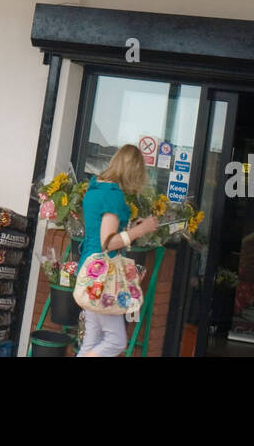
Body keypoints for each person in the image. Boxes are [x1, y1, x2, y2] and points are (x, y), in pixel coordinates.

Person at [76, 144, 159, 357]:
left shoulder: (96, 188)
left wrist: (129, 229)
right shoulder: (112, 196)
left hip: (91, 270)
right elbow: (108, 242)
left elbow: (100, 231)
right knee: (115, 341)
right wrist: (141, 229)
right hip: (103, 277)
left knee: (92, 340)